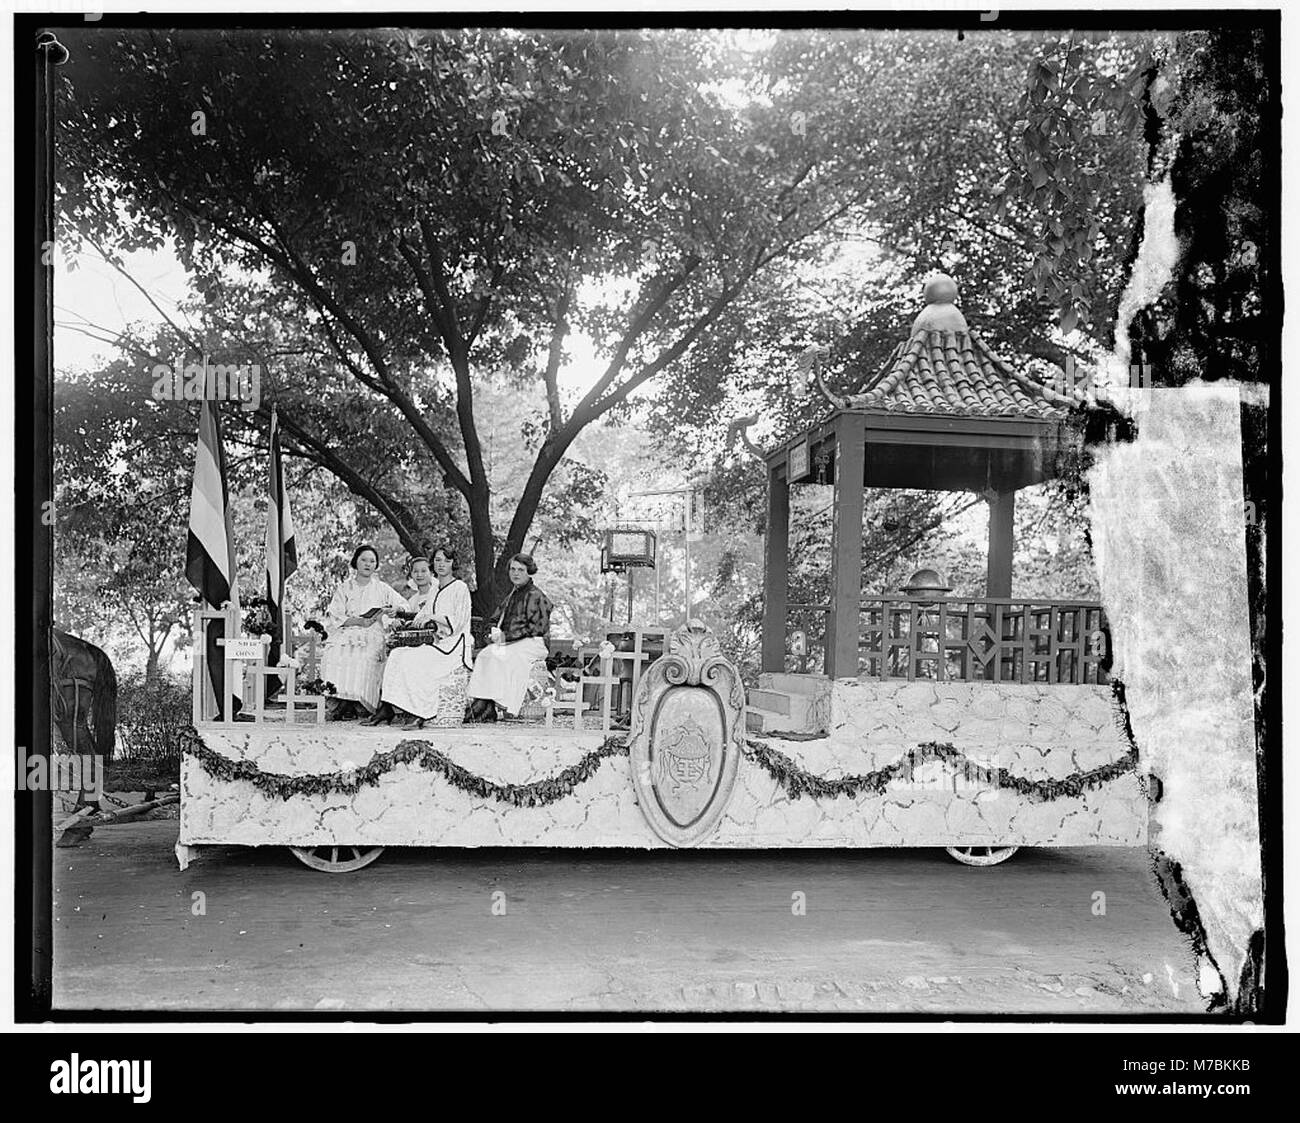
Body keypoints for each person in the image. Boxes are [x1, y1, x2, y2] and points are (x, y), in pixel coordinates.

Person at [365, 548, 473, 728]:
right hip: (434, 641)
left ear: (453, 563)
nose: (441, 564)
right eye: (438, 560)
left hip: (453, 644)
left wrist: (433, 618)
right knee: (398, 654)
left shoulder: (459, 587)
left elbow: (459, 621)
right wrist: (402, 619)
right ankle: (387, 708)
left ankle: (419, 713)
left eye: (446, 560)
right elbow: (421, 615)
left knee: (415, 659)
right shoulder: (435, 589)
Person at [318, 544, 408, 718]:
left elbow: (403, 604)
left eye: (372, 561)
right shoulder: (344, 588)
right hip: (347, 630)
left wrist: (393, 611)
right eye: (364, 560)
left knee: (365, 656)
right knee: (333, 654)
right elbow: (336, 615)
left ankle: (360, 703)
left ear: (376, 565)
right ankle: (340, 703)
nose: (368, 564)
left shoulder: (382, 588)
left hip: (372, 633)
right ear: (356, 562)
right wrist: (359, 621)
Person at [465, 552, 552, 722]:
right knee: (486, 654)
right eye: (513, 569)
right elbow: (494, 618)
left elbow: (536, 628)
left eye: (521, 569)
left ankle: (493, 704)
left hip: (535, 642)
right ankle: (484, 703)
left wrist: (506, 636)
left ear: (529, 572)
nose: (516, 573)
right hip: (512, 641)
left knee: (503, 657)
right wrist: (491, 632)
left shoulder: (537, 595)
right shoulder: (512, 594)